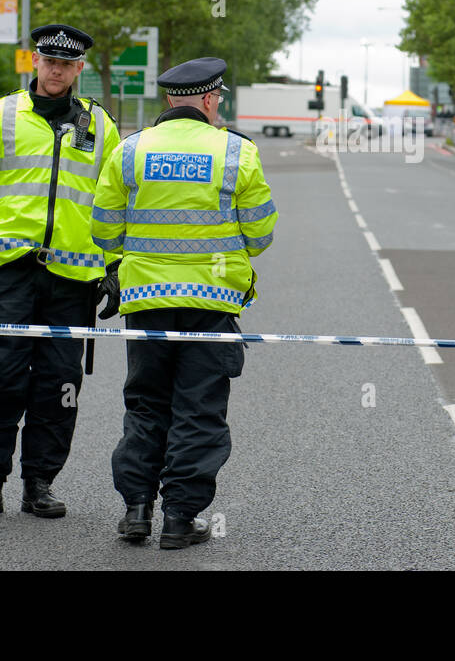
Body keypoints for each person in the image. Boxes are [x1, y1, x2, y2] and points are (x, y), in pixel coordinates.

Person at [0, 24, 121, 523]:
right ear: (34, 63)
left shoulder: (101, 127)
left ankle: (39, 483)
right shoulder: (1, 116)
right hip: (11, 274)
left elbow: (114, 202)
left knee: (59, 386)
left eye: (67, 63)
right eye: (48, 60)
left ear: (79, 68)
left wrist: (114, 266)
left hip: (73, 280)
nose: (57, 69)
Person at [93, 57, 277, 549]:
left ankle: (135, 509)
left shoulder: (130, 151)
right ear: (211, 100)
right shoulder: (237, 153)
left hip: (145, 301)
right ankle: (178, 519)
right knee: (198, 408)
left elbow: (103, 228)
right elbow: (260, 235)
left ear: (169, 101)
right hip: (211, 305)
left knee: (147, 403)